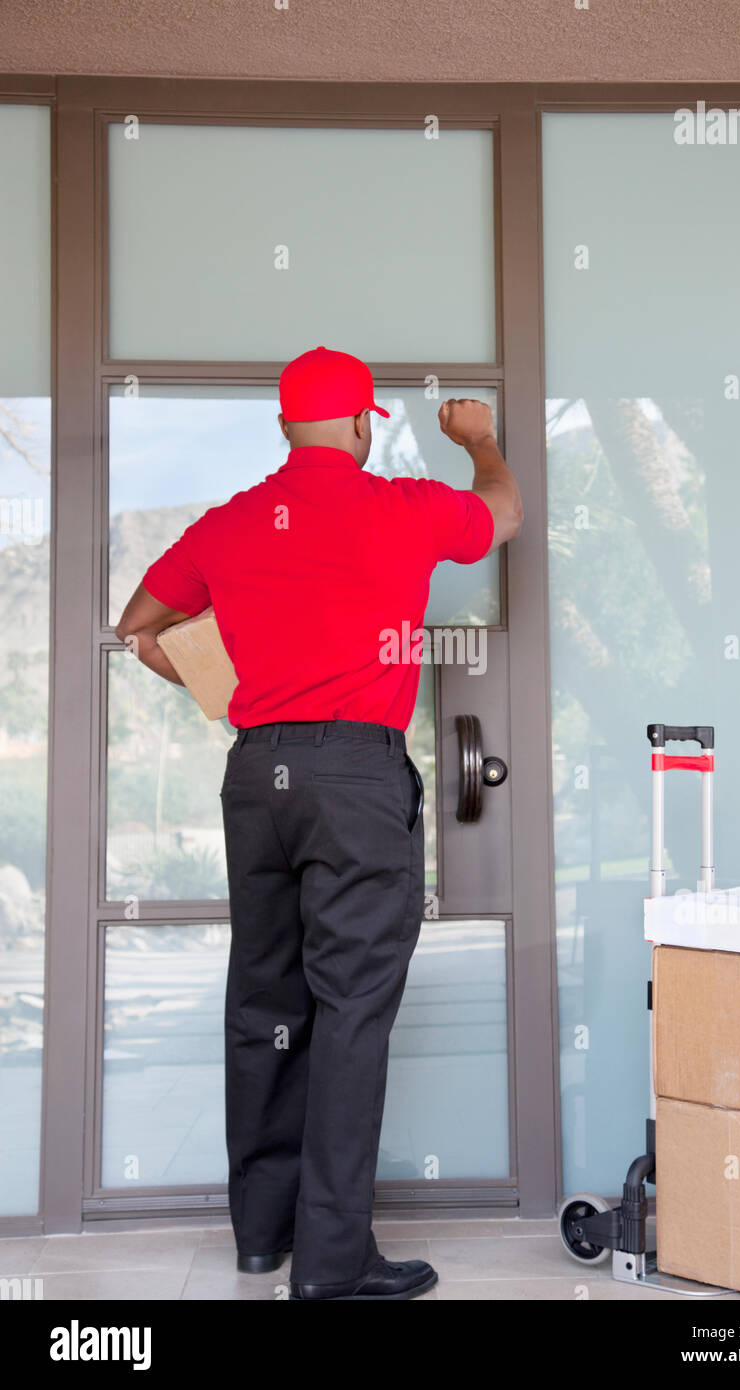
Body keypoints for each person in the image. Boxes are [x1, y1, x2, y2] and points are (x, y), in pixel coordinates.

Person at [115, 346, 523, 1300]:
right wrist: (480, 440)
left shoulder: (232, 523)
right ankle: (331, 1262)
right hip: (353, 777)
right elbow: (505, 513)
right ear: (360, 424)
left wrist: (235, 691)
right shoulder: (401, 508)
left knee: (266, 1004)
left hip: (259, 777)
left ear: (285, 427)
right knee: (349, 1013)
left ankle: (261, 1236)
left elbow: (139, 627)